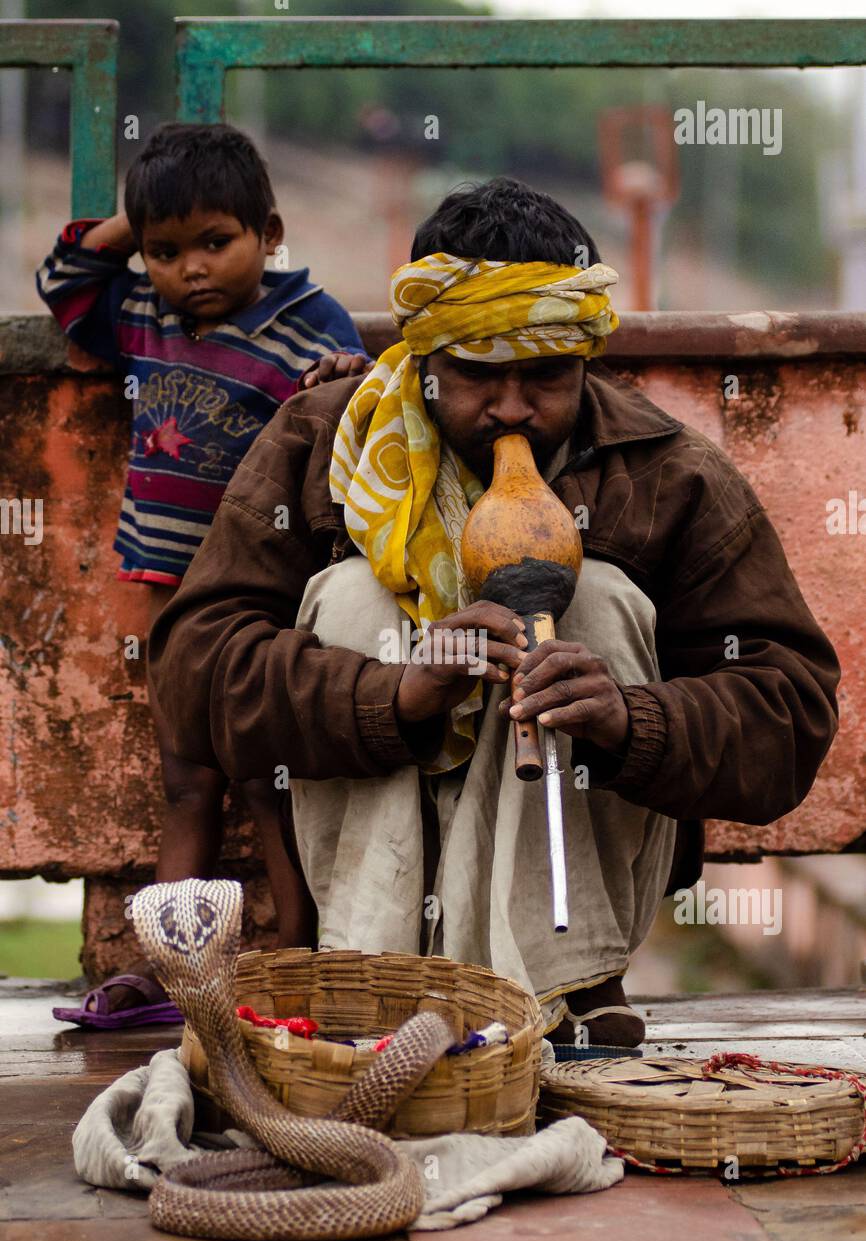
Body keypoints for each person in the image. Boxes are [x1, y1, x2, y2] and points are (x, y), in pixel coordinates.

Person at [146, 177, 841, 1046]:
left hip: (583, 880)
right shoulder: (322, 441)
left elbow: (792, 704)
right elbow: (190, 672)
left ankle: (568, 989)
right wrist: (389, 697)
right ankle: (376, 972)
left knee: (596, 596)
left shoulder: (670, 475)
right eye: (477, 375)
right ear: (426, 357)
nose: (513, 408)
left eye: (545, 376)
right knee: (360, 596)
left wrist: (631, 720)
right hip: (366, 926)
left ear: (586, 357)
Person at [37, 122, 370, 1026]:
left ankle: (297, 955)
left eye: (214, 243)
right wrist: (130, 223)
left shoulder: (312, 328)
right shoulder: (142, 315)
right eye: (165, 251)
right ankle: (170, 971)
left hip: (258, 599)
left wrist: (344, 379)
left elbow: (370, 420)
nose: (189, 270)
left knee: (267, 779)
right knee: (187, 782)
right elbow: (62, 284)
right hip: (165, 598)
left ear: (269, 231)